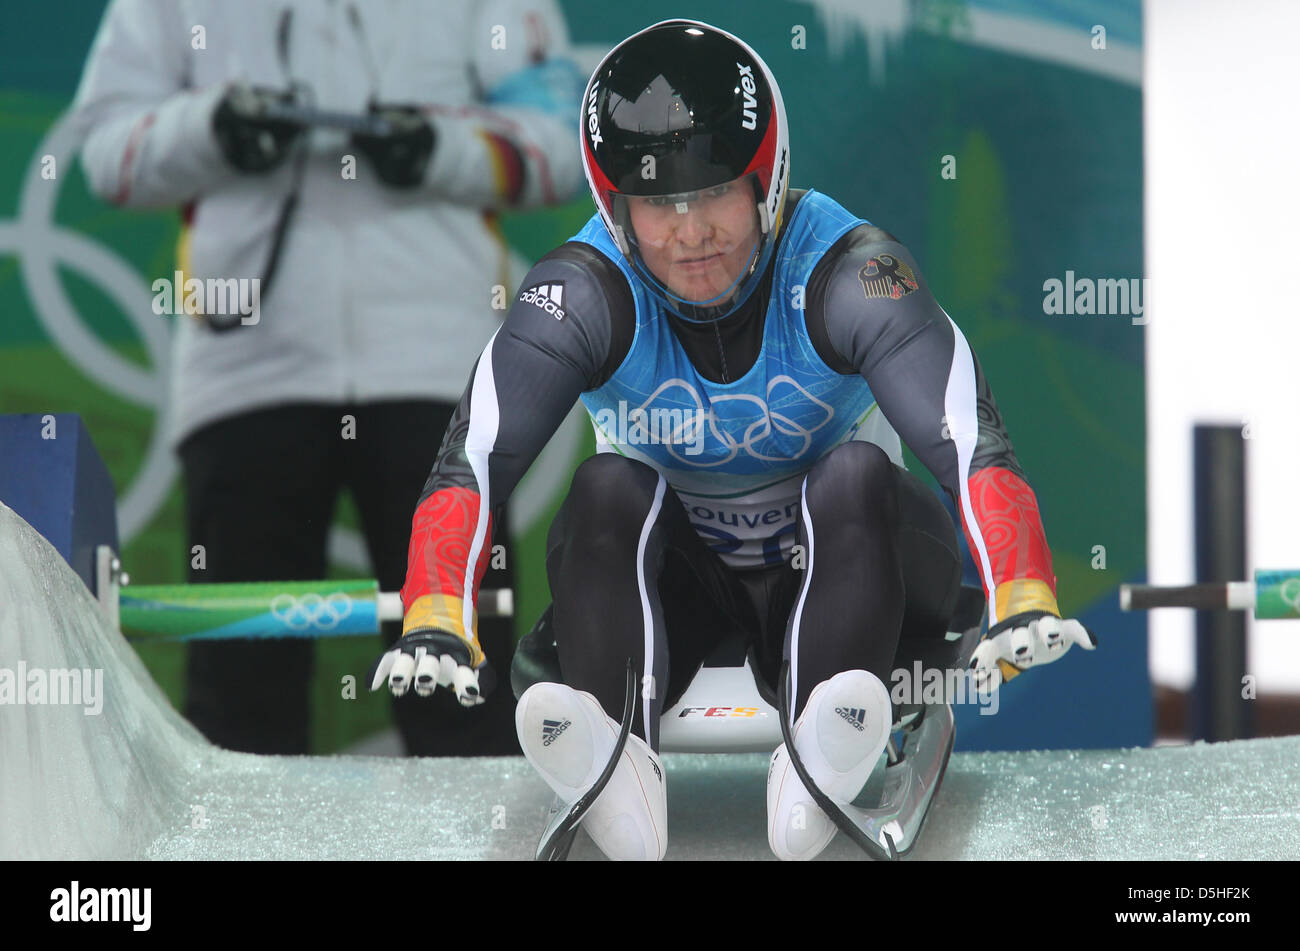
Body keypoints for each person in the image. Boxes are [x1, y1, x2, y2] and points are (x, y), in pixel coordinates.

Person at [371, 19, 1096, 859]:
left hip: (846, 576)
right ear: (616, 207)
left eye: (714, 191)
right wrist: (431, 609)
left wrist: (1022, 590)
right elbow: (473, 457)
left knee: (855, 472)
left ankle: (828, 734)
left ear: (767, 180)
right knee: (605, 486)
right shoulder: (582, 290)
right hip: (677, 590)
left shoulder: (851, 271)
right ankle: (616, 749)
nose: (690, 234)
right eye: (658, 204)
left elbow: (969, 438)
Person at [71, 0, 586, 756]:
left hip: (435, 366)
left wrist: (437, 146)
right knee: (241, 714)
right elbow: (101, 152)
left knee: (462, 693)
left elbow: (563, 142)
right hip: (248, 372)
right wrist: (213, 128)